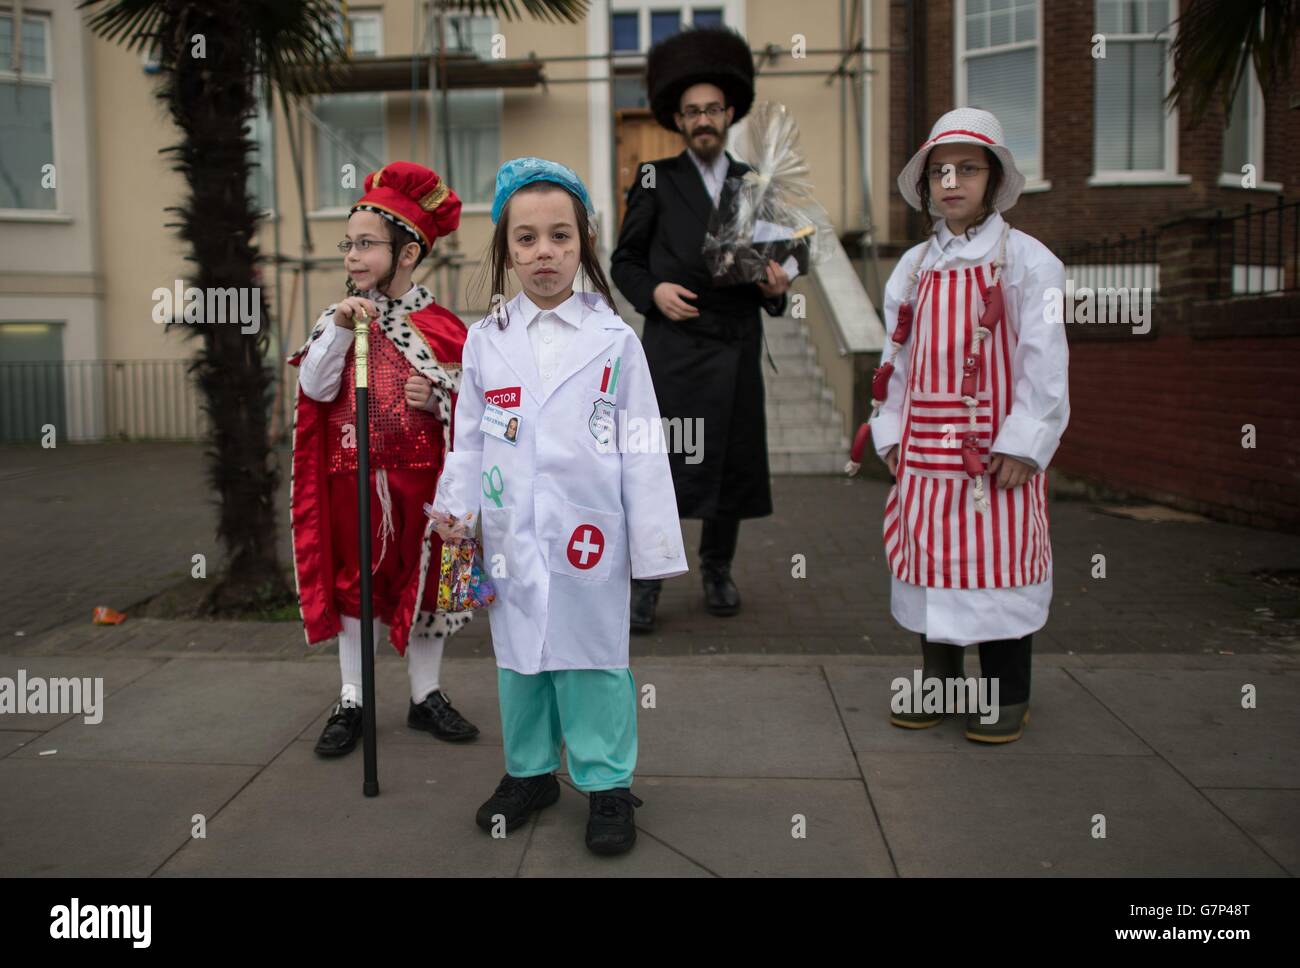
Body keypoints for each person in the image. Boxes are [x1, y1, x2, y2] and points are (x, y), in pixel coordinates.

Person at [429, 157, 687, 855]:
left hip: (589, 539)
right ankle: (531, 772)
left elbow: (642, 447)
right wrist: (456, 512)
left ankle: (607, 784)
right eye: (527, 239)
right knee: (520, 656)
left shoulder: (615, 343)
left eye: (560, 237)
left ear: (583, 245)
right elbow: (470, 438)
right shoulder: (486, 342)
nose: (544, 252)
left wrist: (653, 545)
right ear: (506, 251)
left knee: (593, 656)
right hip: (511, 534)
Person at [871, 108, 1069, 743]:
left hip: (993, 455)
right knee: (932, 572)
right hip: (927, 454)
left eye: (967, 168)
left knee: (997, 574)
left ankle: (1007, 692)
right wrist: (890, 431)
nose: (952, 181)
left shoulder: (1029, 262)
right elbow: (892, 359)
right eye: (940, 170)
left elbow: (1044, 361)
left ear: (994, 177)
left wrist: (1026, 442)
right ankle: (942, 681)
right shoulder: (912, 268)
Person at [288, 161, 480, 758]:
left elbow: (477, 414)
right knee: (356, 587)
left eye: (367, 244)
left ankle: (426, 695)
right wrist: (343, 329)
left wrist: (439, 396)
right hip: (354, 482)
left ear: (407, 253)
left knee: (432, 589)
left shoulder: (444, 328)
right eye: (349, 244)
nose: (352, 255)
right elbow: (316, 390)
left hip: (426, 490)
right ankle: (353, 697)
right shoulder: (337, 319)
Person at [611, 26, 791, 632]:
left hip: (737, 345)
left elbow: (780, 263)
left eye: (712, 108)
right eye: (691, 111)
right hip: (675, 350)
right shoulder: (655, 177)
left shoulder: (757, 183)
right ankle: (646, 581)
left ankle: (717, 568)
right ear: (677, 119)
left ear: (730, 112)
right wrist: (655, 295)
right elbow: (625, 262)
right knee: (660, 466)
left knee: (730, 467)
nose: (703, 119)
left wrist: (776, 287)